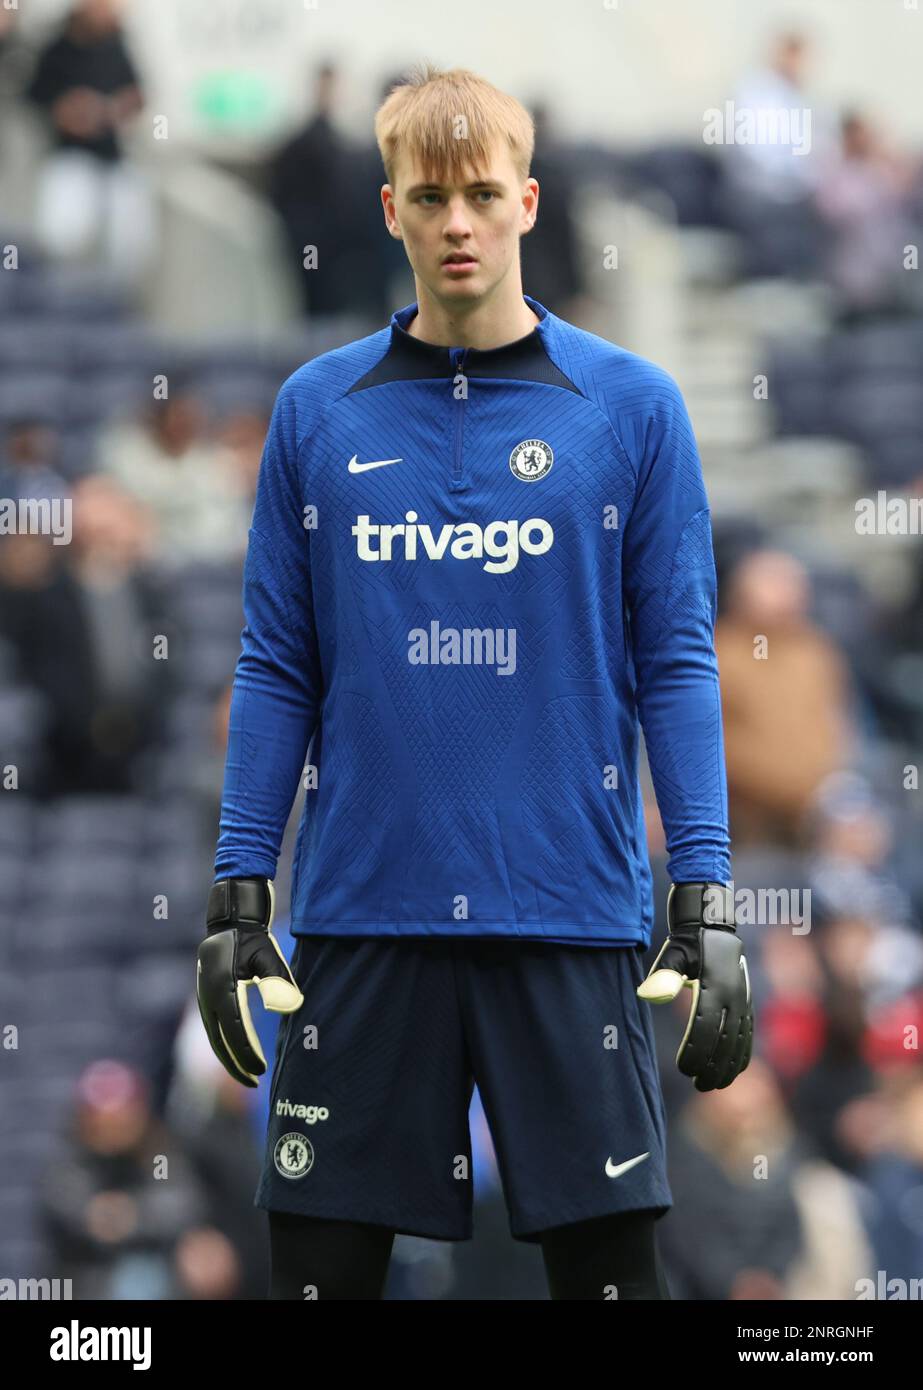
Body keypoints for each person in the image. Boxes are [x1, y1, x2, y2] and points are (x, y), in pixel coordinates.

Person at [196, 65, 752, 1302]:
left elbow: (675, 660)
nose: (457, 222)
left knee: (612, 1282)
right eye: (430, 196)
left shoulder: (633, 410)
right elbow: (276, 662)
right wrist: (242, 891)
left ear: (529, 204)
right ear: (388, 209)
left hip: (568, 915)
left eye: (481, 195)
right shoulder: (315, 410)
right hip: (360, 917)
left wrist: (705, 893)